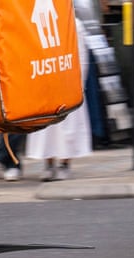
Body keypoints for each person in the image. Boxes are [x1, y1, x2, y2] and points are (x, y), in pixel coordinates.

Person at [25, 16, 92, 181]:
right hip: (46, 80)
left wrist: (79, 83)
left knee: (68, 126)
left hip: (67, 81)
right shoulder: (36, 21)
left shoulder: (74, 24)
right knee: (46, 126)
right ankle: (49, 163)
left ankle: (64, 163)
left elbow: (81, 56)